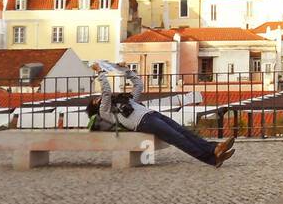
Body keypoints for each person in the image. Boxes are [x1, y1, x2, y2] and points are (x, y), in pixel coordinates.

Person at [88, 61, 236, 168]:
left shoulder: (124, 100)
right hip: (144, 123)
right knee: (178, 138)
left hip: (153, 115)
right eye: (96, 100)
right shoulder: (105, 111)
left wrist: (126, 70)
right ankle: (212, 157)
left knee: (184, 132)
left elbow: (139, 85)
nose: (99, 98)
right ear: (97, 107)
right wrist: (100, 71)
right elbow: (106, 92)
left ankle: (215, 150)